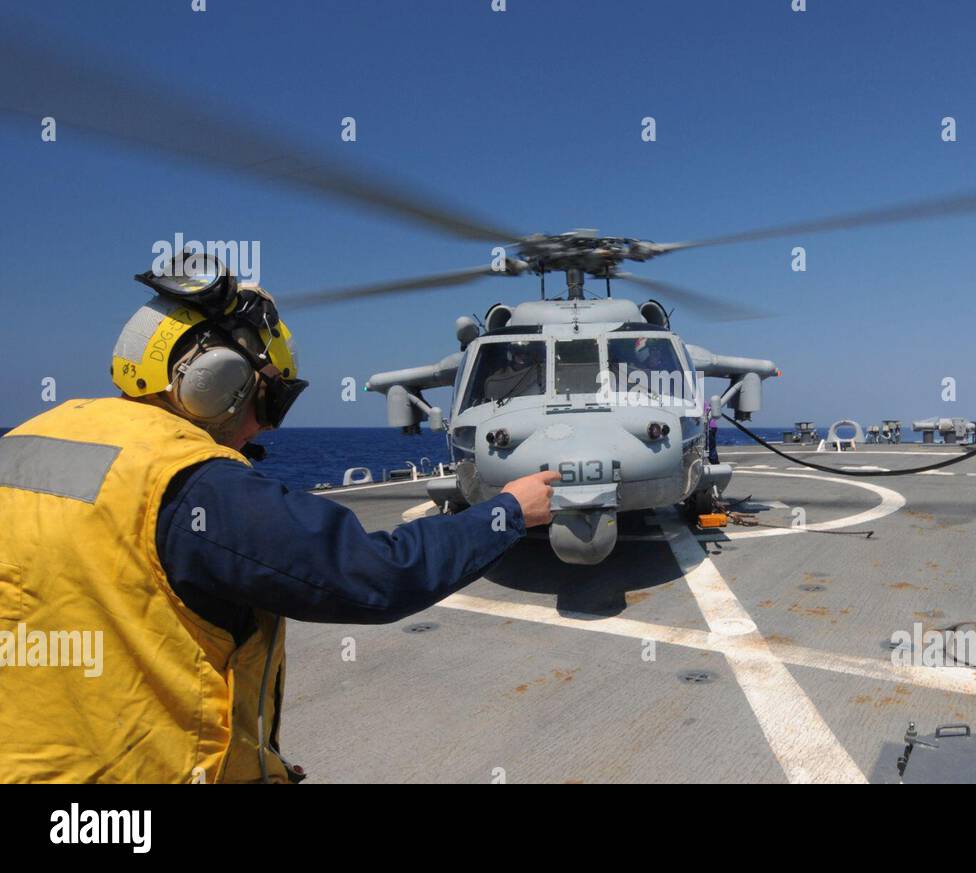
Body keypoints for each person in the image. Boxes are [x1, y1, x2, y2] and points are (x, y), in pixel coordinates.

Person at [0, 259, 558, 783]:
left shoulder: (24, 443)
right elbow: (375, 577)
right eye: (271, 403)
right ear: (214, 382)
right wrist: (505, 513)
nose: (266, 431)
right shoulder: (191, 482)